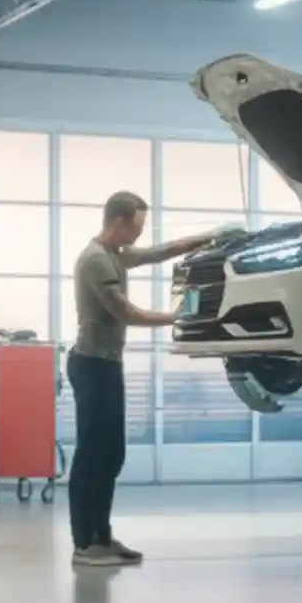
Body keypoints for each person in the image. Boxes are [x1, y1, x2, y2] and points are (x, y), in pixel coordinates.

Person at [69, 190, 217, 567]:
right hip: (91, 365)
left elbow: (158, 252)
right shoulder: (95, 261)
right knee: (91, 455)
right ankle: (85, 543)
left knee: (112, 453)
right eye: (136, 227)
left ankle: (102, 536)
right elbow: (127, 313)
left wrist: (209, 239)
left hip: (107, 364)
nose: (138, 235)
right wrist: (181, 318)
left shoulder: (116, 254)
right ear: (117, 223)